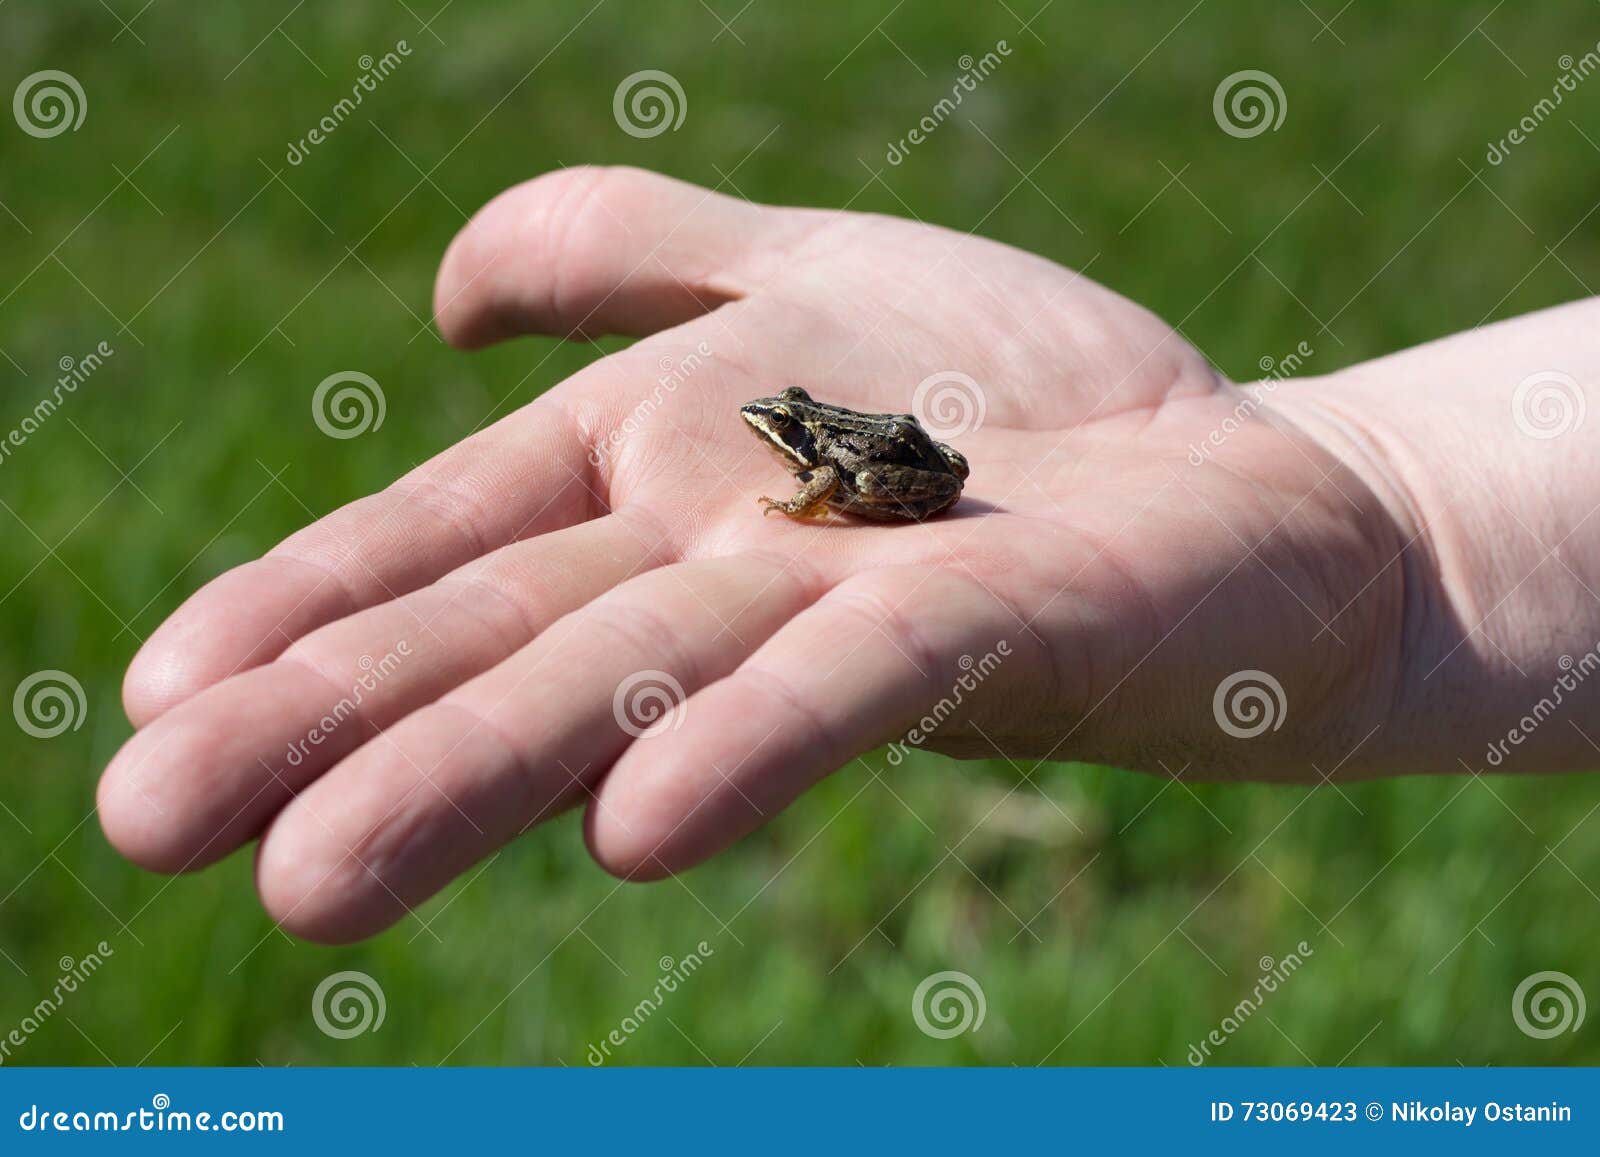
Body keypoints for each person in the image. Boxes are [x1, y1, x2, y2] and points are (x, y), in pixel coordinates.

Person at [95, 166, 1600, 943]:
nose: (769, 432)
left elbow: (863, 474)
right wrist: (1414, 507)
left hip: (917, 474)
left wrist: (1408, 522)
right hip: (926, 464)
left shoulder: (816, 456)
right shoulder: (800, 430)